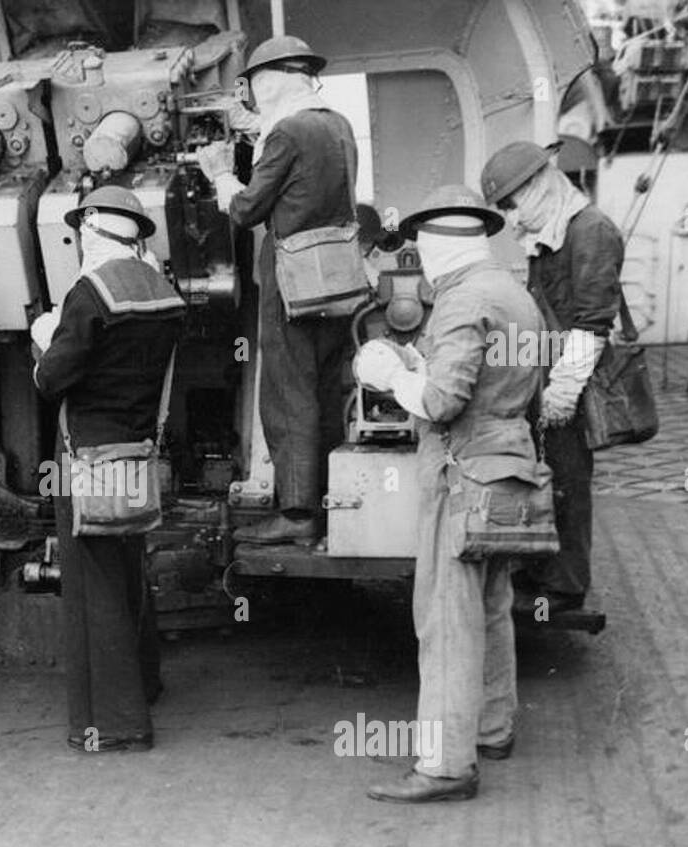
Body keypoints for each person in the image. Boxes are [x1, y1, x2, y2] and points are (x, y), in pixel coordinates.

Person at [355, 187, 544, 803]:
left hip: (462, 475)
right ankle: (492, 728)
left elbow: (442, 402)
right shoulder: (515, 293)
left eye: (418, 245)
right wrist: (420, 360)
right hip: (508, 467)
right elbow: (497, 381)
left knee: (446, 618)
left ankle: (444, 766)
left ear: (436, 243)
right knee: (492, 605)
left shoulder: (462, 301)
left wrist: (391, 374)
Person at [31, 187, 185, 753]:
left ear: (92, 228)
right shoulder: (163, 293)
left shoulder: (89, 292)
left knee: (93, 583)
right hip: (135, 448)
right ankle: (146, 681)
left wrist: (44, 339)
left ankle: (117, 722)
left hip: (85, 454)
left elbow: (52, 380)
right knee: (126, 568)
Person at [197, 35, 359, 546]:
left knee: (288, 394)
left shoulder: (286, 133)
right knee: (325, 392)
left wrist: (222, 173)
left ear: (270, 81)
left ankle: (295, 513)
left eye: (254, 85)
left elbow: (246, 211)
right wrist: (252, 130)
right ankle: (328, 505)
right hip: (338, 281)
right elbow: (302, 173)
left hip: (292, 281)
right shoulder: (336, 124)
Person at [482, 141, 623, 614]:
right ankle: (540, 567)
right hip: (549, 377)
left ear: (540, 184)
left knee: (568, 479)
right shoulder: (556, 232)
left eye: (513, 205)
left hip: (572, 384)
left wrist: (562, 392)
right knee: (546, 473)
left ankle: (564, 586)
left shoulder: (591, 231)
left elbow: (593, 321)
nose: (513, 220)